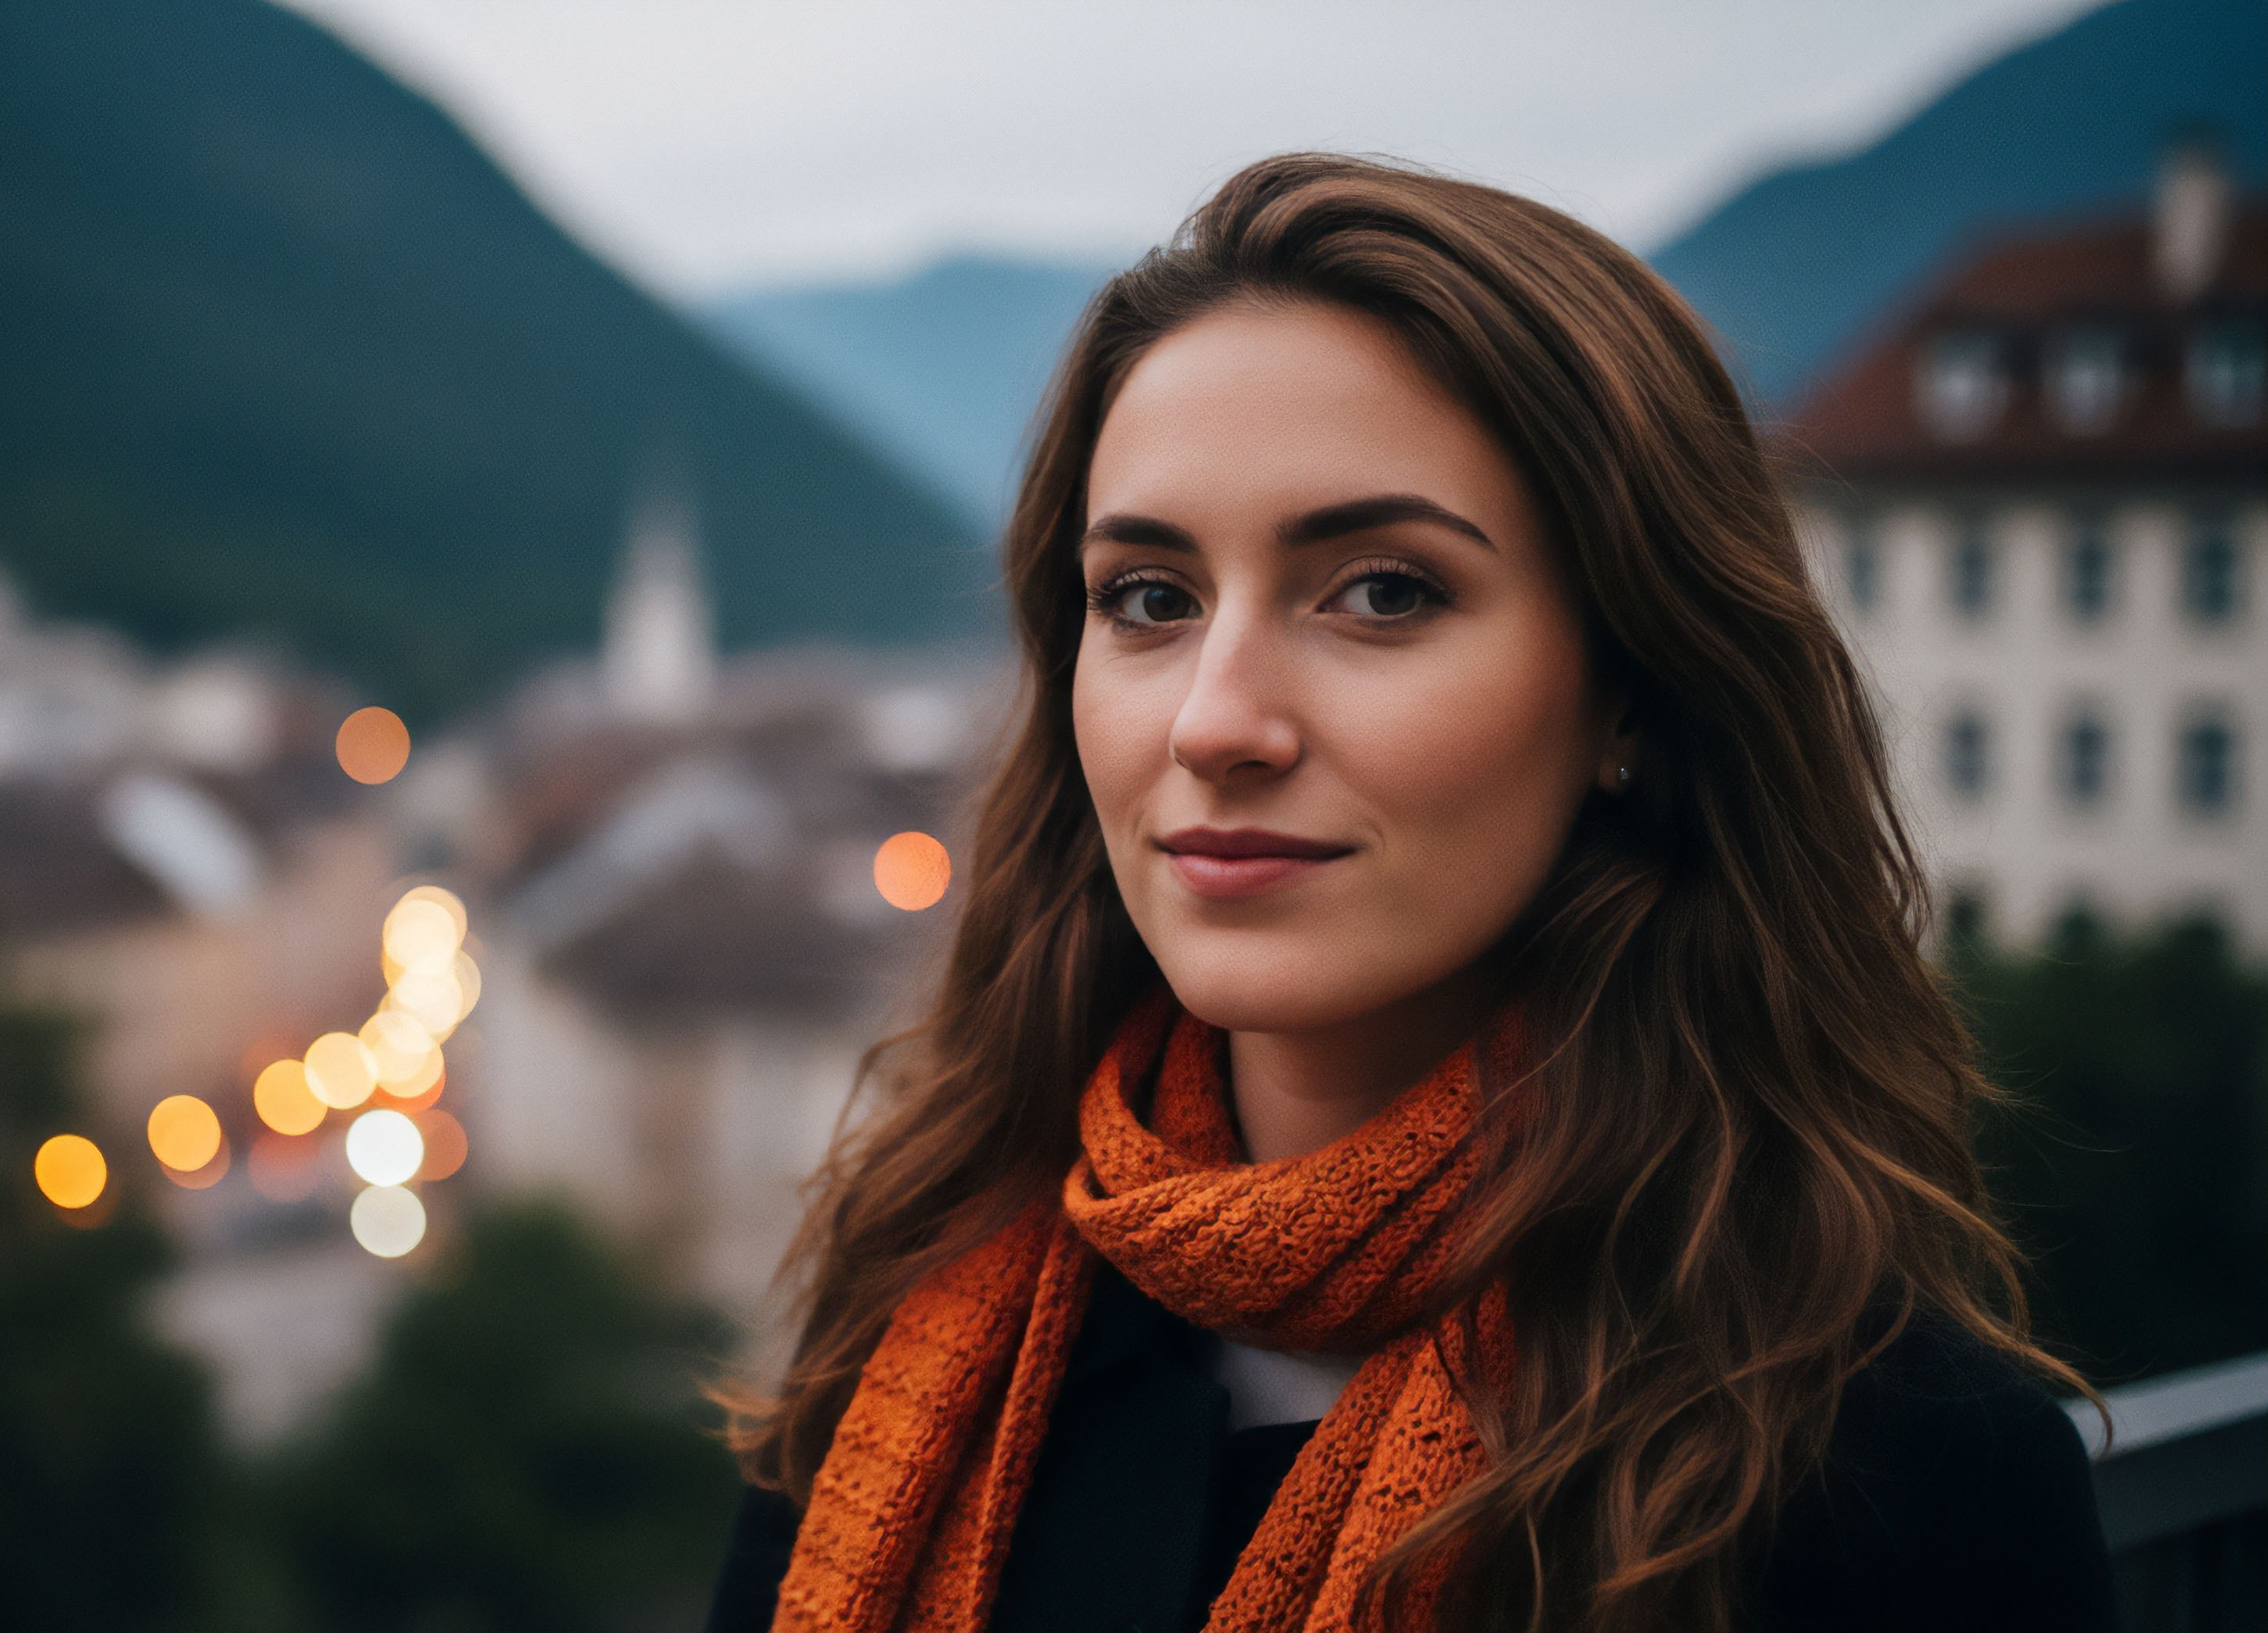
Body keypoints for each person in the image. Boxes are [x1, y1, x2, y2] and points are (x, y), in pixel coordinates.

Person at [705, 156, 2115, 1633]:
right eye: (1148, 598)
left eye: (1382, 591)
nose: (1212, 720)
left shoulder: (1879, 1466)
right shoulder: (921, 1342)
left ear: (1632, 688)